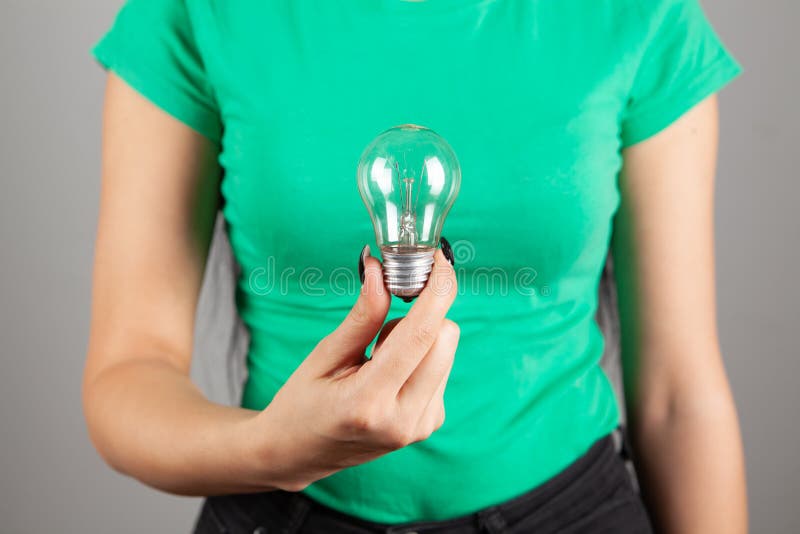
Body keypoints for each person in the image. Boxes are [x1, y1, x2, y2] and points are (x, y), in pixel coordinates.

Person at [83, 0, 748, 532]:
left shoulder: (641, 14)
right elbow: (127, 372)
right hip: (277, 511)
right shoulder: (198, 11)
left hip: (570, 510)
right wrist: (272, 450)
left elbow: (676, 396)